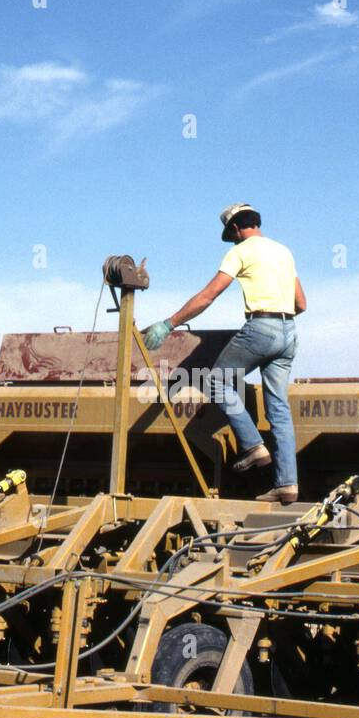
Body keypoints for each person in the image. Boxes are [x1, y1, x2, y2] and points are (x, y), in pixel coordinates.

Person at [142, 203, 306, 503]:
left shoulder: (240, 251)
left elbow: (209, 295)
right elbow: (301, 303)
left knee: (216, 380)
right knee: (279, 410)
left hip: (261, 327)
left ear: (234, 229)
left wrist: (169, 323)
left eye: (231, 236)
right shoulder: (284, 252)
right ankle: (287, 484)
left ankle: (254, 447)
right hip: (289, 332)